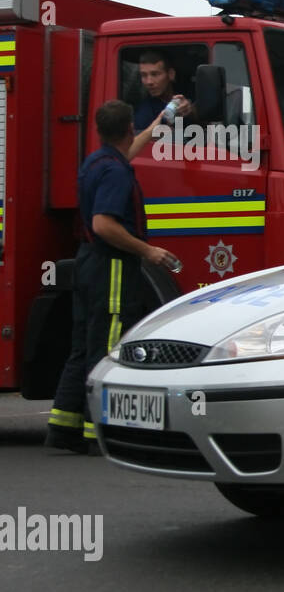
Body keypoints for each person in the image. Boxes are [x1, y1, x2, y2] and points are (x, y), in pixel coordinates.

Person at [45, 100, 179, 454]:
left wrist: (161, 120)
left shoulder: (98, 161)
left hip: (88, 263)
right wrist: (147, 251)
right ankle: (98, 433)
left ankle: (63, 427)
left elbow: (128, 150)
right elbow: (105, 224)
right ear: (127, 129)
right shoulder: (116, 172)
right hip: (113, 266)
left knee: (82, 345)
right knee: (106, 346)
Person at [133, 50, 193, 134]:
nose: (149, 82)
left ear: (171, 74)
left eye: (155, 74)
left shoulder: (188, 92)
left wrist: (191, 111)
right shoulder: (144, 113)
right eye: (144, 75)